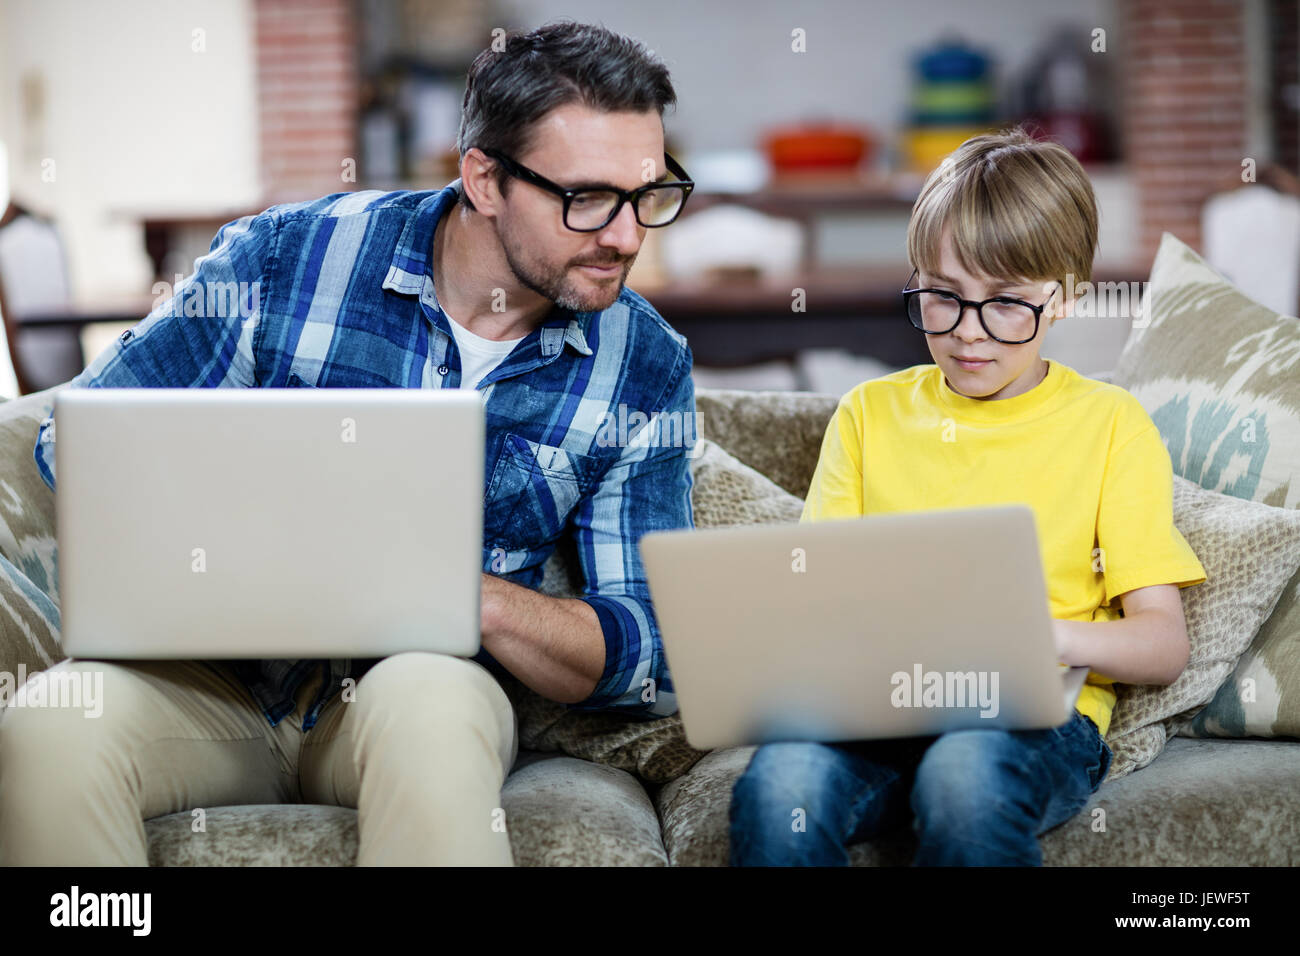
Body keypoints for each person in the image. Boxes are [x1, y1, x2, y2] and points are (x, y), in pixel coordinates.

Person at [0, 21, 698, 867]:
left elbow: (644, 649)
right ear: (483, 178)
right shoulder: (285, 258)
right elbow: (75, 447)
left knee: (431, 706)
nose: (627, 235)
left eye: (650, 195)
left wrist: (468, 595)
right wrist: (254, 524)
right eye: (588, 198)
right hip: (205, 684)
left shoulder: (644, 365)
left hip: (414, 684)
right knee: (46, 731)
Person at [728, 127, 1207, 867]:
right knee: (779, 782)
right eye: (943, 298)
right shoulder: (867, 415)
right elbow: (812, 597)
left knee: (965, 774)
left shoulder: (1110, 425)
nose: (968, 335)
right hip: (877, 713)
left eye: (1007, 303)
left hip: (1031, 721)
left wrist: (1044, 639)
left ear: (1066, 298)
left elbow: (1163, 644)